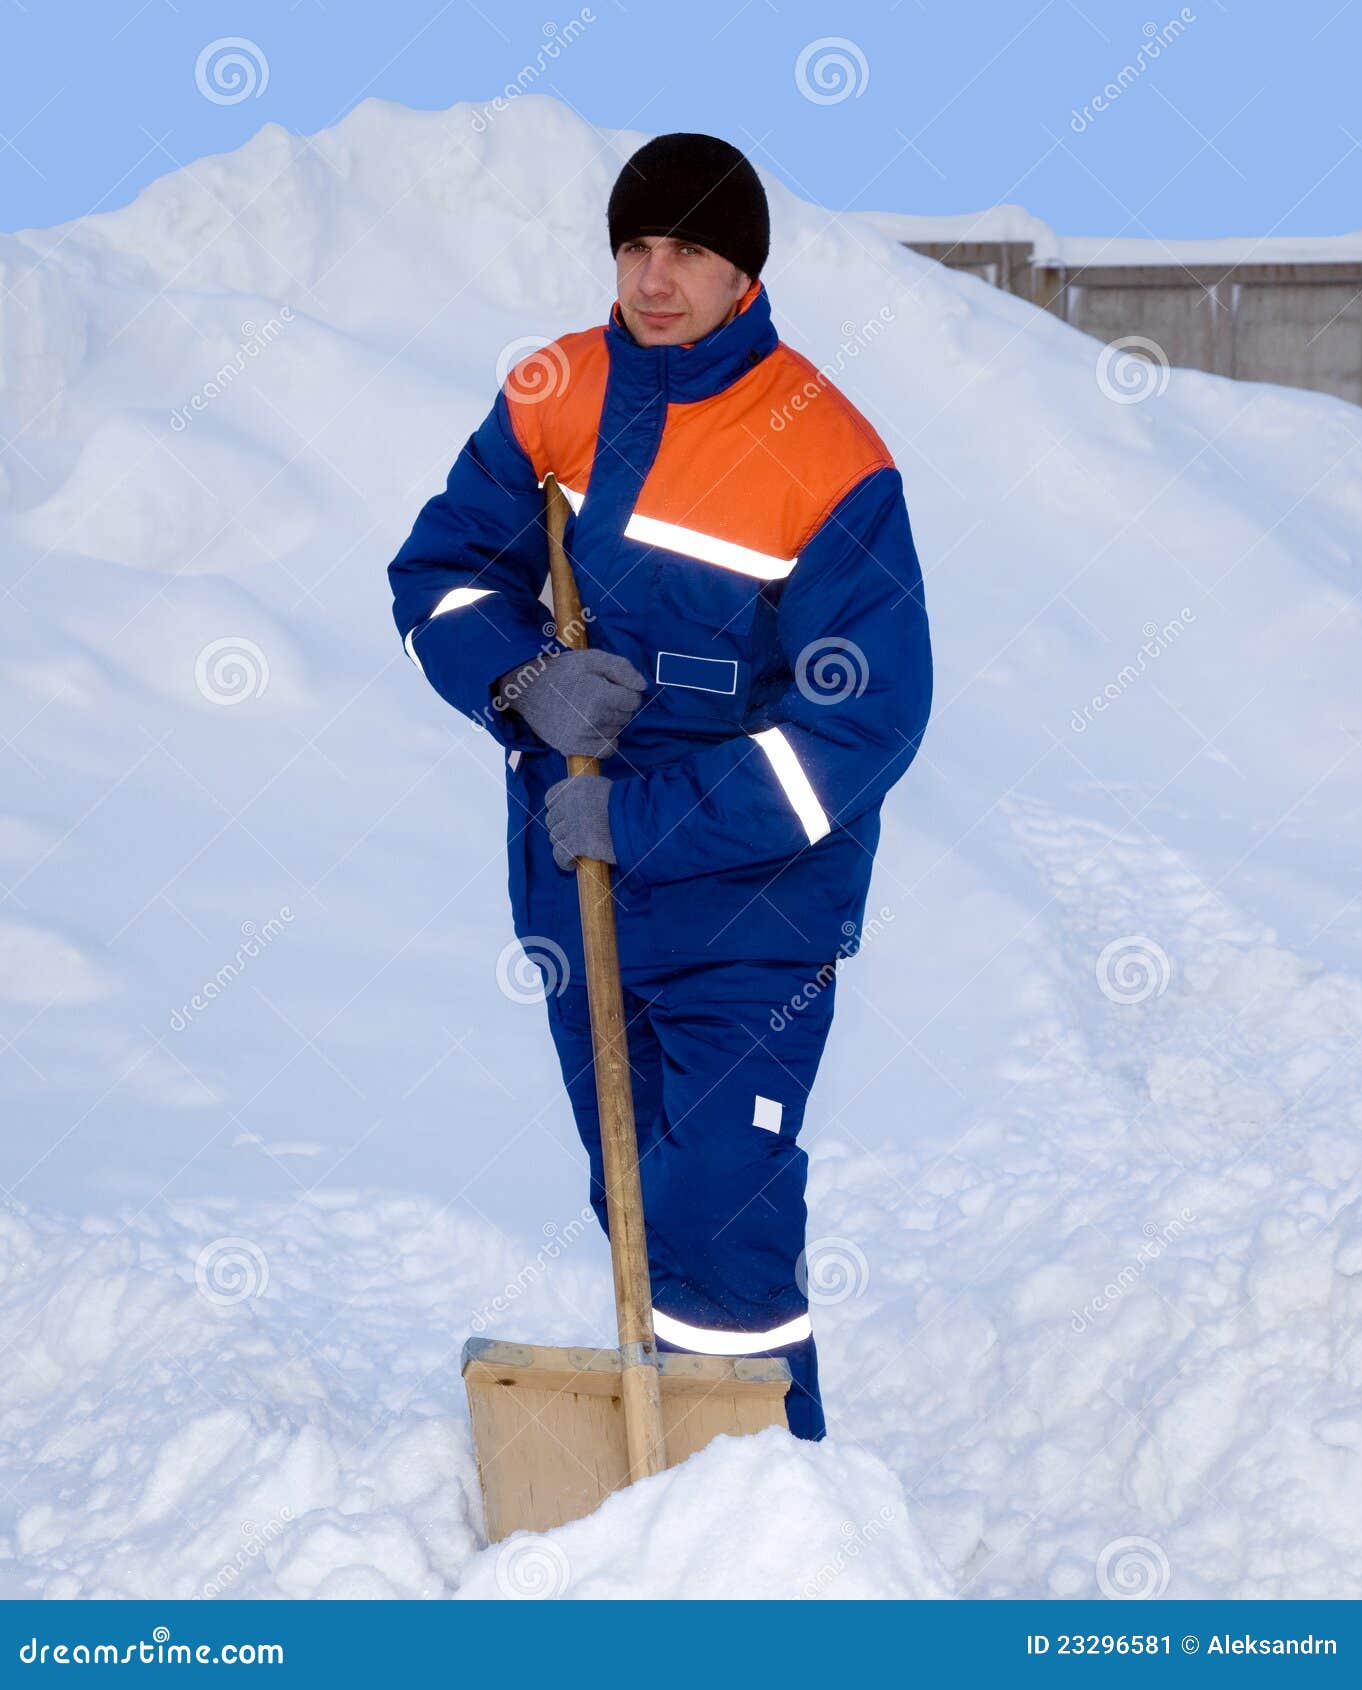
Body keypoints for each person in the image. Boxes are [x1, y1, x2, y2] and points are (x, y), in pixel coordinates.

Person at [387, 132, 933, 1440]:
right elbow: (440, 572)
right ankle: (670, 1481)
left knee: (716, 1206)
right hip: (576, 886)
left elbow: (864, 723)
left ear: (741, 268)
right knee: (632, 1196)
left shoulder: (826, 449)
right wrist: (519, 680)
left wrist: (637, 817)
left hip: (756, 909)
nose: (653, 273)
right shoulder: (554, 389)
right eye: (633, 245)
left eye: (686, 247)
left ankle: (768, 1505)